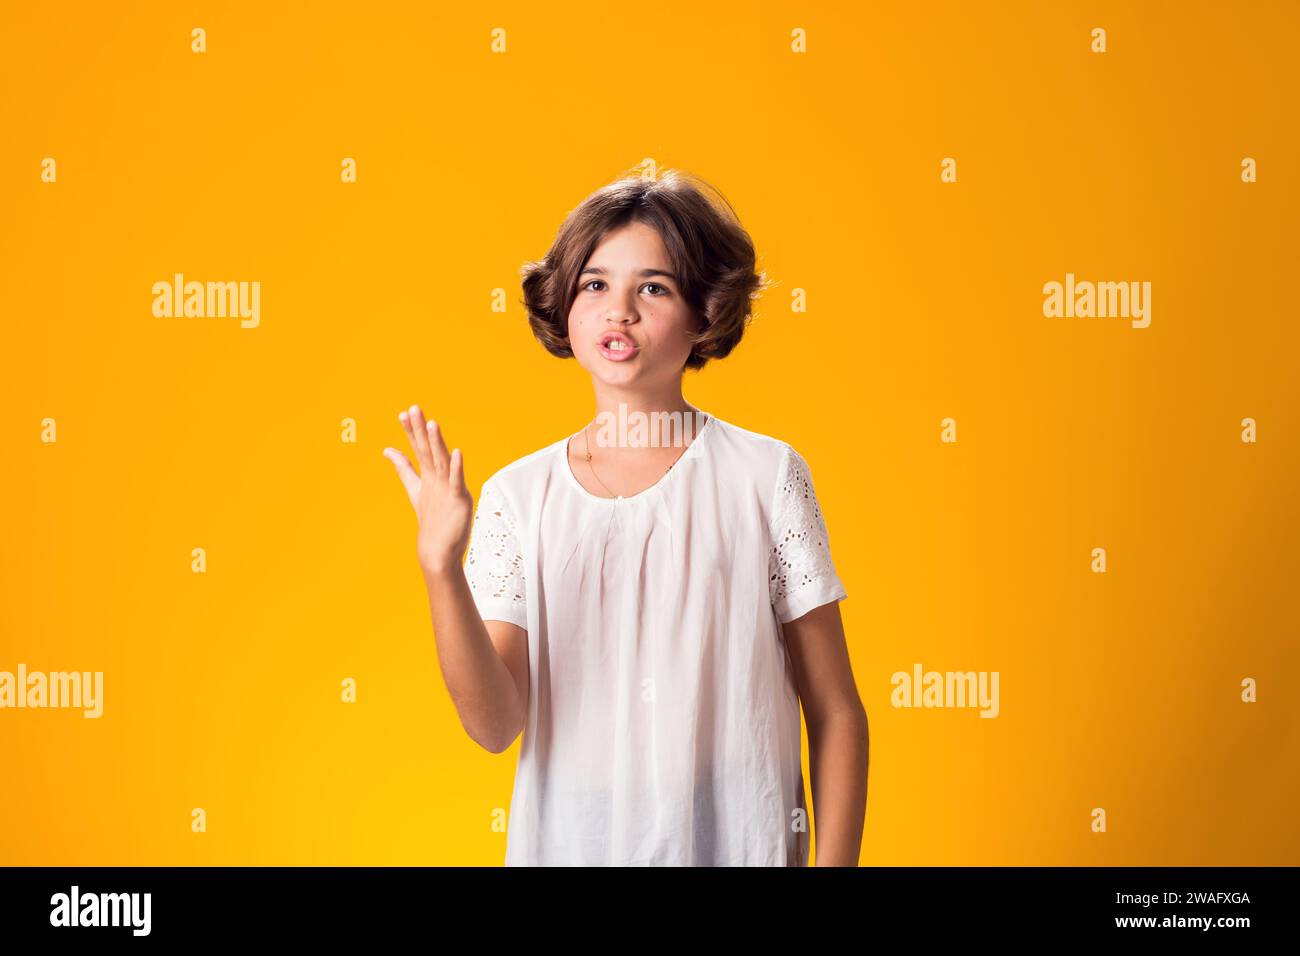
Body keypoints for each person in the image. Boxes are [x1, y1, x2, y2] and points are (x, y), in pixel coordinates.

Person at [383, 168, 868, 865]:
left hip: (739, 844)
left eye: (654, 287)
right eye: (595, 285)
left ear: (705, 314)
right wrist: (440, 568)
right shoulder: (518, 497)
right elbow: (493, 726)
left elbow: (836, 709)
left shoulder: (765, 476)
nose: (620, 311)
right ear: (566, 309)